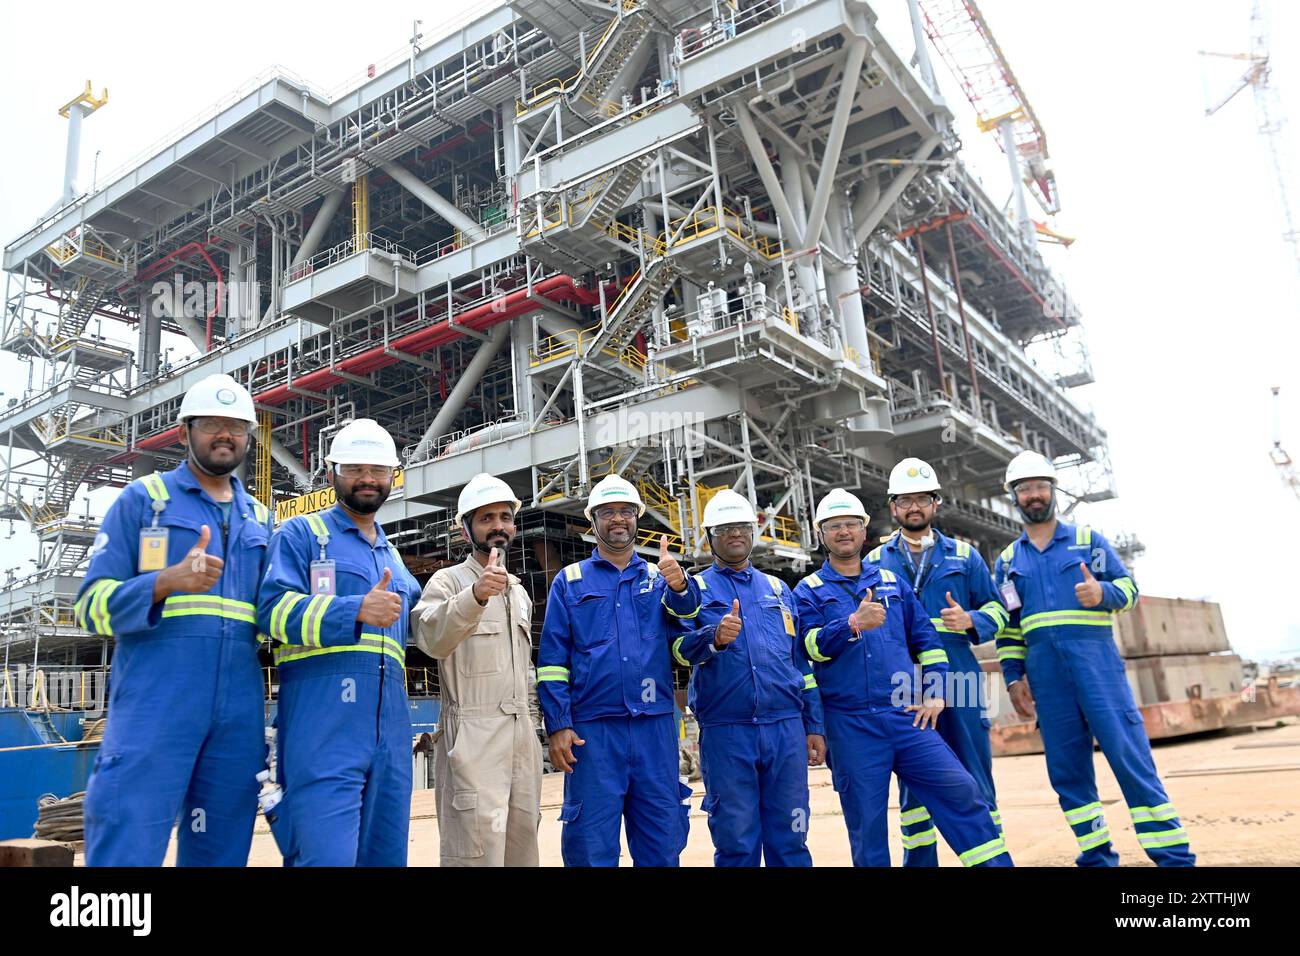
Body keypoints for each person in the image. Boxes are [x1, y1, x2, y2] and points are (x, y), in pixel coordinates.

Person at [76, 373, 271, 865]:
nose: (224, 435)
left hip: (238, 712)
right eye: (211, 424)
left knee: (221, 845)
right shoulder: (144, 501)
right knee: (129, 839)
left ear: (249, 437)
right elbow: (89, 606)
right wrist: (163, 583)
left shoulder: (262, 520)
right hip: (156, 704)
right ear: (184, 432)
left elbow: (277, 614)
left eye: (236, 426)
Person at [792, 488, 1012, 867]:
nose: (843, 532)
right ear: (821, 534)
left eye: (851, 524)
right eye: (833, 526)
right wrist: (850, 625)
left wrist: (936, 692)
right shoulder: (807, 592)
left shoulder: (893, 583)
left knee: (962, 792)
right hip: (849, 724)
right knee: (868, 824)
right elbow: (808, 649)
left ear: (864, 531)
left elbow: (927, 640)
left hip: (906, 714)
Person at [994, 451, 1194, 866]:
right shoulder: (1009, 561)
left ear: (1053, 491)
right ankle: (1097, 857)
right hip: (1048, 680)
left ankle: (1173, 857)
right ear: (1014, 496)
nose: (1033, 495)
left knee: (1129, 757)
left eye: (1040, 486)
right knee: (1067, 772)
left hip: (1097, 670)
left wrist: (1104, 594)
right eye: (1024, 488)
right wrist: (1013, 677)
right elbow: (1010, 630)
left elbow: (1129, 589)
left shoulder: (1088, 542)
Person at [257, 418, 422, 866]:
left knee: (386, 857)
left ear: (393, 476)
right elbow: (271, 611)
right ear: (332, 473)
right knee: (324, 857)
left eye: (378, 470)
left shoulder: (392, 557)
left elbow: (426, 624)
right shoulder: (302, 535)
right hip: (322, 726)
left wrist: (474, 597)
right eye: (355, 468)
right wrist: (353, 610)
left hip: (390, 733)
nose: (368, 479)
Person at [537, 475, 702, 866]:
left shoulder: (659, 578)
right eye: (607, 512)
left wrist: (680, 588)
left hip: (655, 730)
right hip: (593, 734)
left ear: (637, 519)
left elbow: (686, 635)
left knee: (662, 839)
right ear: (592, 522)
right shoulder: (570, 582)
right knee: (591, 844)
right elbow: (552, 662)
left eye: (626, 512)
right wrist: (558, 724)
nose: (618, 519)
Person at [672, 489, 825, 866]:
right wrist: (714, 638)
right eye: (724, 528)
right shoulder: (695, 590)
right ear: (710, 536)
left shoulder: (777, 589)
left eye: (741, 526)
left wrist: (814, 724)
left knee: (791, 835)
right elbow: (676, 649)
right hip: (728, 731)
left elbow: (799, 666)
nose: (735, 534)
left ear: (753, 531)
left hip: (785, 730)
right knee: (736, 839)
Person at [868, 457, 1007, 865]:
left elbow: (998, 611)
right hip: (904, 681)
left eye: (923, 499)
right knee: (914, 780)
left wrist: (971, 620)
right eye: (905, 500)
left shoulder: (965, 557)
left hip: (960, 676)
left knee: (974, 772)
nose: (915, 507)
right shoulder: (875, 562)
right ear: (892, 507)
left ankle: (991, 858)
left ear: (936, 504)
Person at [411, 473, 542, 866]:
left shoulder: (518, 591)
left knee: (523, 845)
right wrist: (475, 595)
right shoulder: (448, 582)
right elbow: (430, 637)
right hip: (472, 734)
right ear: (467, 529)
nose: (498, 525)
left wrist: (540, 727)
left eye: (505, 517)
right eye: (486, 518)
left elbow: (527, 669)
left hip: (522, 735)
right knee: (474, 850)